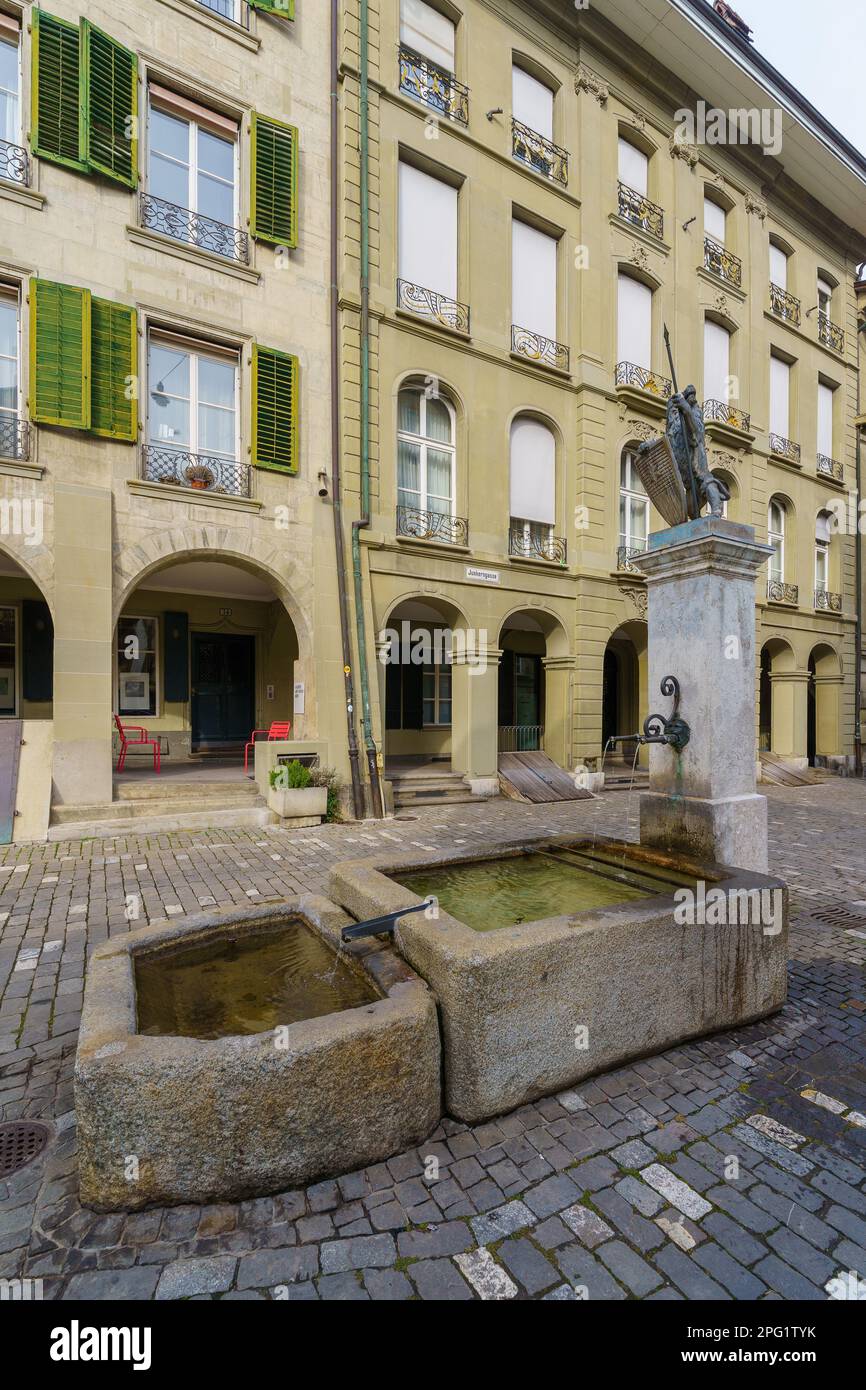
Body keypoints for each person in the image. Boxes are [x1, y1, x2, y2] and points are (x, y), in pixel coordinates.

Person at [664, 385, 731, 520]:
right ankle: (697, 522)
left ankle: (716, 510)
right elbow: (665, 444)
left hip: (695, 459)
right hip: (684, 472)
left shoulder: (693, 414)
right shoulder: (673, 425)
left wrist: (687, 410)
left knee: (706, 481)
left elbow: (696, 433)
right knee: (691, 509)